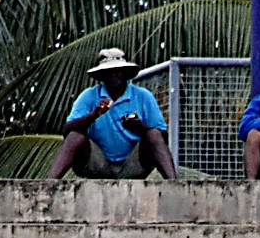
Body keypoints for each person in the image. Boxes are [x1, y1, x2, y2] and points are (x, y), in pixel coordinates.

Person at [50, 48, 178, 181]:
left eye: (118, 71)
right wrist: (94, 115)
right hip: (99, 163)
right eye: (108, 72)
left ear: (125, 73)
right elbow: (67, 131)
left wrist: (139, 127)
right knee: (75, 137)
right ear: (102, 75)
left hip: (133, 164)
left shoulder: (143, 96)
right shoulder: (89, 96)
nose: (113, 76)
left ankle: (175, 184)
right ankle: (48, 185)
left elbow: (162, 137)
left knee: (153, 134)